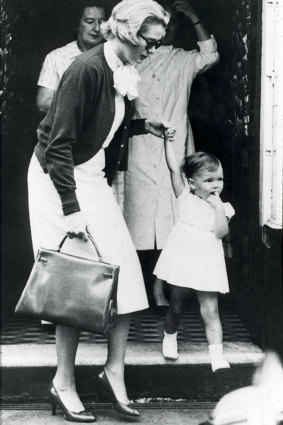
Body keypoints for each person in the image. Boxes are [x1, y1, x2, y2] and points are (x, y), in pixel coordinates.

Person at [28, 0, 172, 422]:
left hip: (90, 177)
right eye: (149, 42)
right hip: (59, 179)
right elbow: (57, 144)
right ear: (127, 34)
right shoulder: (86, 69)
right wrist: (71, 210)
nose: (152, 50)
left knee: (124, 274)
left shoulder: (120, 67)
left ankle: (114, 372)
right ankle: (64, 382)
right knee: (75, 282)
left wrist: (144, 126)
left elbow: (104, 121)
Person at [122, 0, 219, 307]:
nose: (169, 30)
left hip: (174, 148)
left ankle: (160, 286)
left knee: (174, 219)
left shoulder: (185, 59)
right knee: (133, 218)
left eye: (175, 23)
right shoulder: (134, 59)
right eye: (165, 23)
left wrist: (193, 16)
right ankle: (131, 289)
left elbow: (210, 54)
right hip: (137, 146)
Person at [153, 138, 235, 372]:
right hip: (184, 258)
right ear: (191, 182)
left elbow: (220, 232)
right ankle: (169, 337)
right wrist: (168, 141)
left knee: (210, 309)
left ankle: (216, 355)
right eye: (208, 180)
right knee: (176, 305)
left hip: (207, 261)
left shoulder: (224, 207)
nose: (215, 185)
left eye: (219, 179)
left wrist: (218, 207)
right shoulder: (185, 197)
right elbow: (172, 167)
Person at [36, 0, 107, 116]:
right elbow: (43, 103)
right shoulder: (56, 58)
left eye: (102, 22)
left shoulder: (112, 57)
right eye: (90, 22)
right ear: (77, 25)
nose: (97, 28)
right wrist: (80, 109)